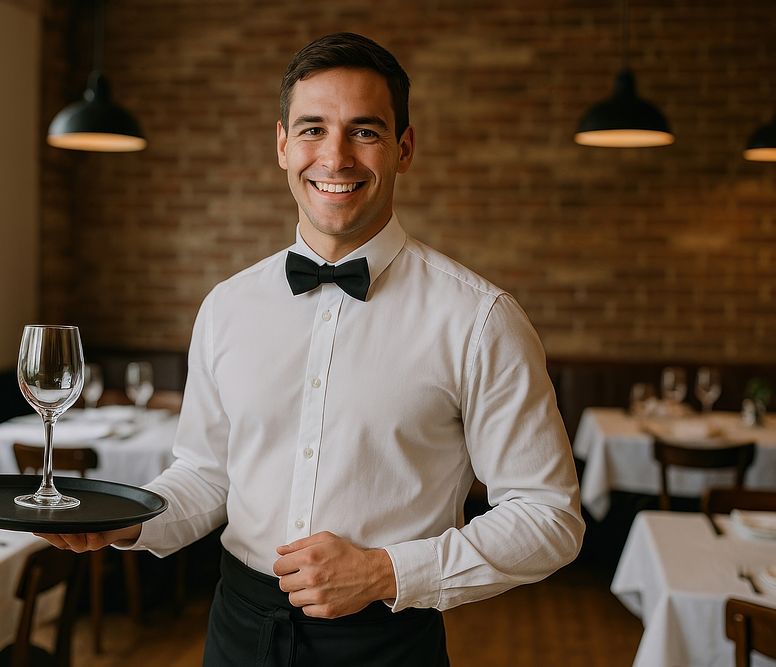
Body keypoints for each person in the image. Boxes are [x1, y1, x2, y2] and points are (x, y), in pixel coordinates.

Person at [40, 32, 584, 666]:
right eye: (313, 129)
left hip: (387, 642)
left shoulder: (480, 319)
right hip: (236, 631)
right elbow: (205, 475)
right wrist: (126, 522)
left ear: (404, 149)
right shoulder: (226, 308)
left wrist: (387, 571)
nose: (336, 156)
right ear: (281, 146)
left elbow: (549, 517)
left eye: (366, 132)